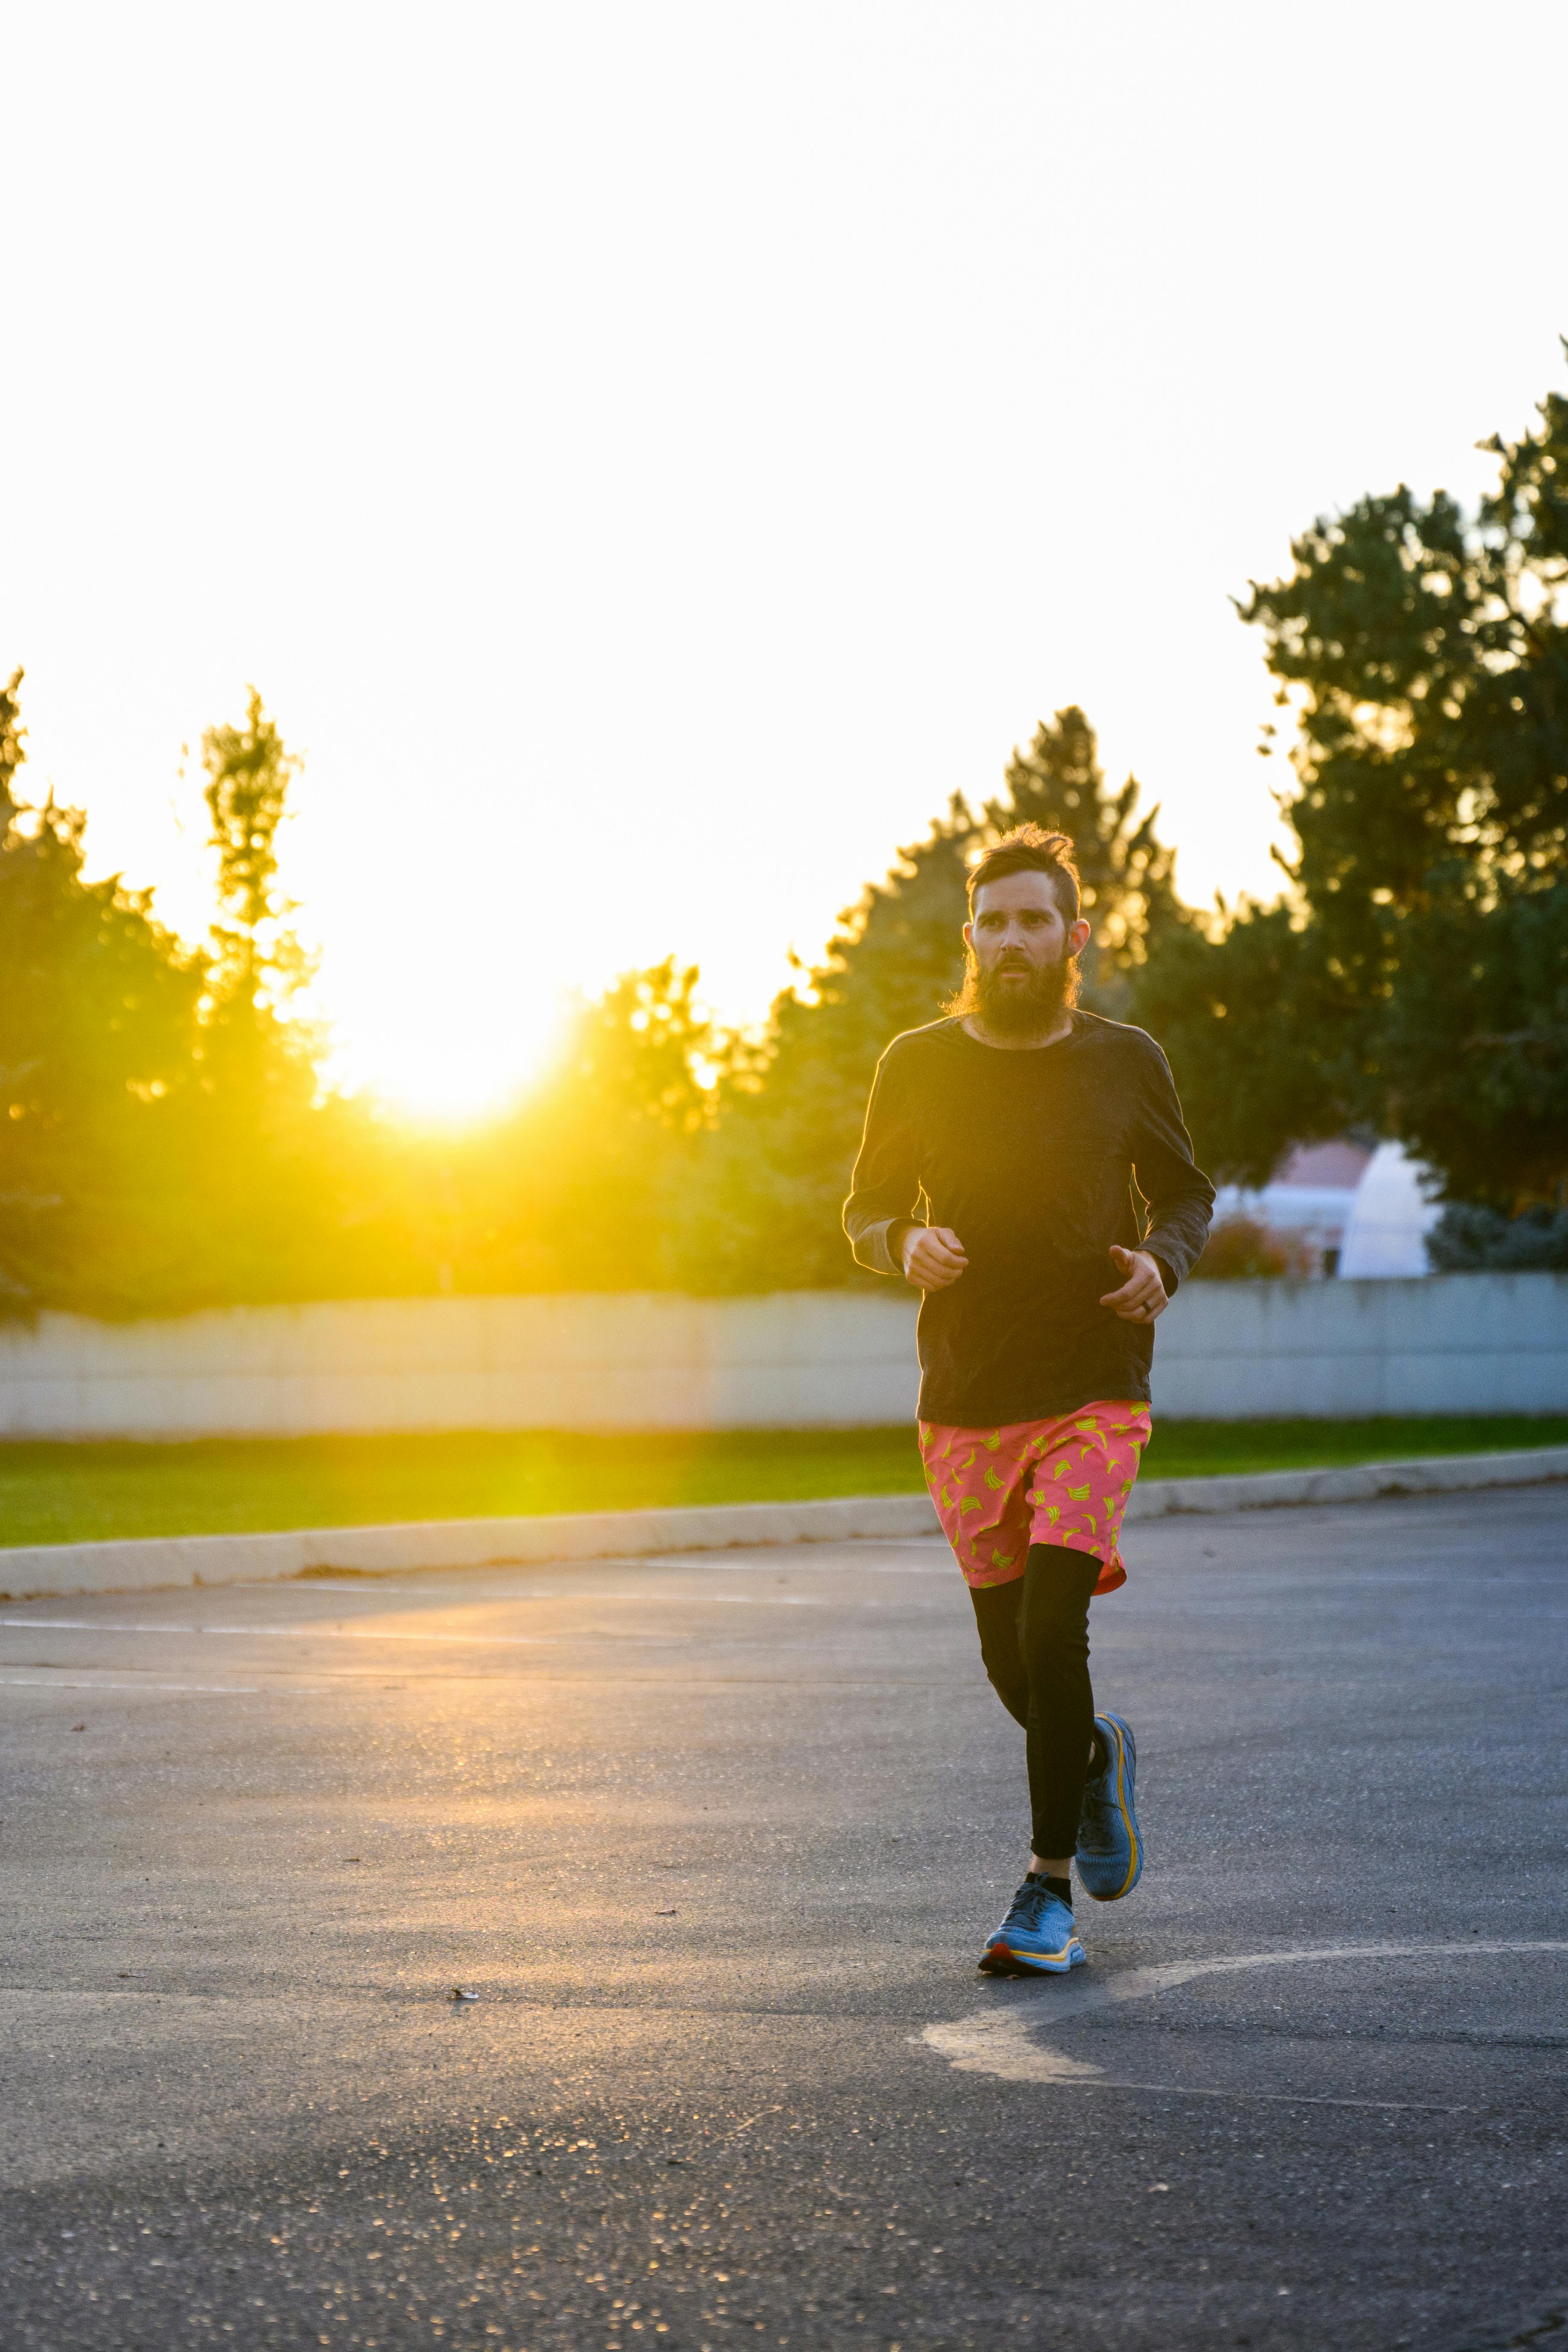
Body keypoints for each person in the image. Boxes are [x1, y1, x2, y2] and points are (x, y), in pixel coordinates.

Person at [842, 823, 1214, 1974]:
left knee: (1057, 1627)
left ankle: (1044, 1894)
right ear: (972, 938)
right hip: (965, 1393)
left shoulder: (1124, 1058)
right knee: (1014, 1663)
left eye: (1034, 919)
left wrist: (1164, 1260)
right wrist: (903, 1238)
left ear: (1074, 937)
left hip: (1096, 1384)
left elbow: (1188, 1195)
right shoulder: (916, 1061)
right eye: (993, 921)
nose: (1013, 939)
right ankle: (1093, 1758)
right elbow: (860, 1212)